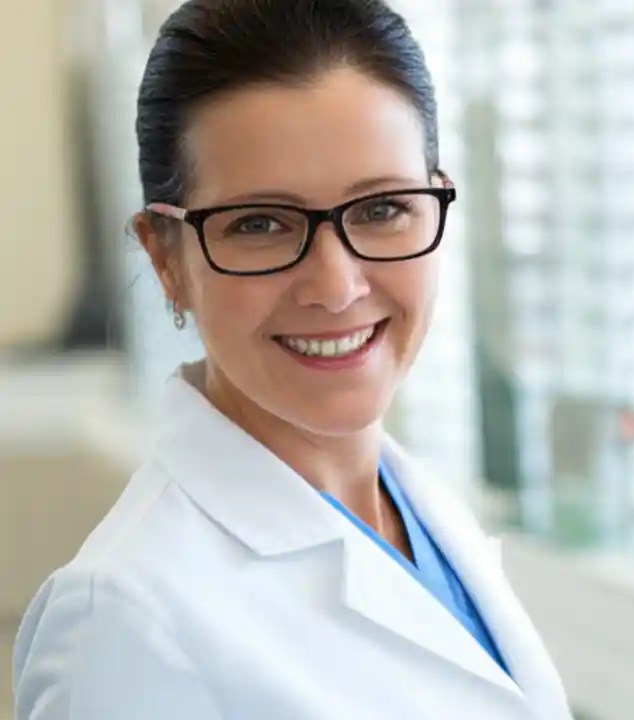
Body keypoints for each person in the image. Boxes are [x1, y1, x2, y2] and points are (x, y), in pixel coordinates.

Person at [12, 1, 571, 717]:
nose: (337, 288)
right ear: (166, 259)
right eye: (261, 224)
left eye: (381, 209)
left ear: (434, 203)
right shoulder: (124, 623)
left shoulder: (418, 507)